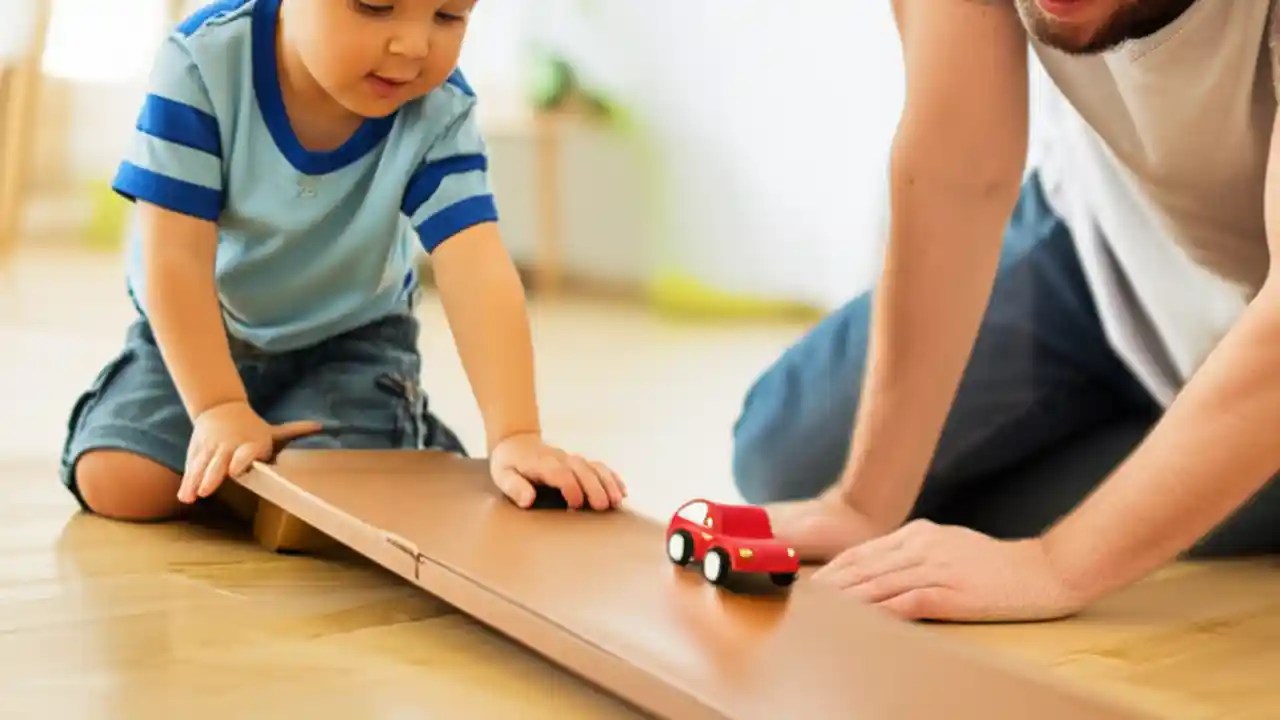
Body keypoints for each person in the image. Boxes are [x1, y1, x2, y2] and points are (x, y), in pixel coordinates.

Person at [732, 0, 1280, 622]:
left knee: (997, 532)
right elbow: (955, 170)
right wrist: (862, 506)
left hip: (1260, 319)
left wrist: (1055, 567)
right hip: (1110, 247)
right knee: (791, 460)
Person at [59, 0, 626, 522]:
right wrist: (218, 405)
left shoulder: (439, 109)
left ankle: (371, 442)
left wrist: (515, 434)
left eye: (448, 15)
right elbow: (173, 260)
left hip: (350, 342)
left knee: (331, 502)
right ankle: (271, 456)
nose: (413, 46)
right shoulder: (202, 61)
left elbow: (475, 265)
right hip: (208, 331)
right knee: (116, 480)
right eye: (375, 5)